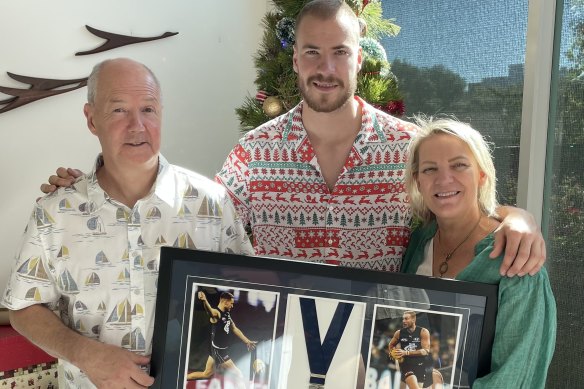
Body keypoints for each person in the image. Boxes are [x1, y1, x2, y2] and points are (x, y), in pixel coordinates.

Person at [43, 0, 545, 275]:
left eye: (340, 52)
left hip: (381, 355)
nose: (326, 68)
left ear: (359, 60)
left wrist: (517, 218)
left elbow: (460, 204)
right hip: (279, 356)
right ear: (295, 60)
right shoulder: (253, 153)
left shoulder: (408, 147)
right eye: (311, 52)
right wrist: (98, 183)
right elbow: (191, 216)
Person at [2, 58, 253, 389]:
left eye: (148, 109)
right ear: (92, 119)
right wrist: (85, 354)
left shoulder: (212, 206)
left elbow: (250, 299)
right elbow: (23, 307)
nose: (137, 125)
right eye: (119, 110)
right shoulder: (56, 212)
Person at [401, 117, 556, 388]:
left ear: (481, 174)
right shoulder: (418, 242)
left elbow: (517, 378)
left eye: (459, 165)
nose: (443, 179)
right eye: (429, 169)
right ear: (418, 181)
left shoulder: (518, 260)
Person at [187, 291, 256, 383]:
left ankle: (182, 377)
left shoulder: (227, 314)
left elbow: (234, 328)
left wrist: (247, 341)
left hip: (218, 349)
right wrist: (204, 301)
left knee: (206, 374)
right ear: (225, 302)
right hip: (219, 351)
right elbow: (210, 311)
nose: (232, 306)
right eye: (231, 303)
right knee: (238, 374)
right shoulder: (217, 314)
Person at [387, 311, 443, 389]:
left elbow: (426, 351)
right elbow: (391, 344)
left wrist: (406, 352)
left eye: (406, 319)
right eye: (403, 319)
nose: (404, 321)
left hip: (420, 366)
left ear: (413, 320)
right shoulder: (399, 333)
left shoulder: (423, 332)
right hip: (406, 366)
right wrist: (392, 352)